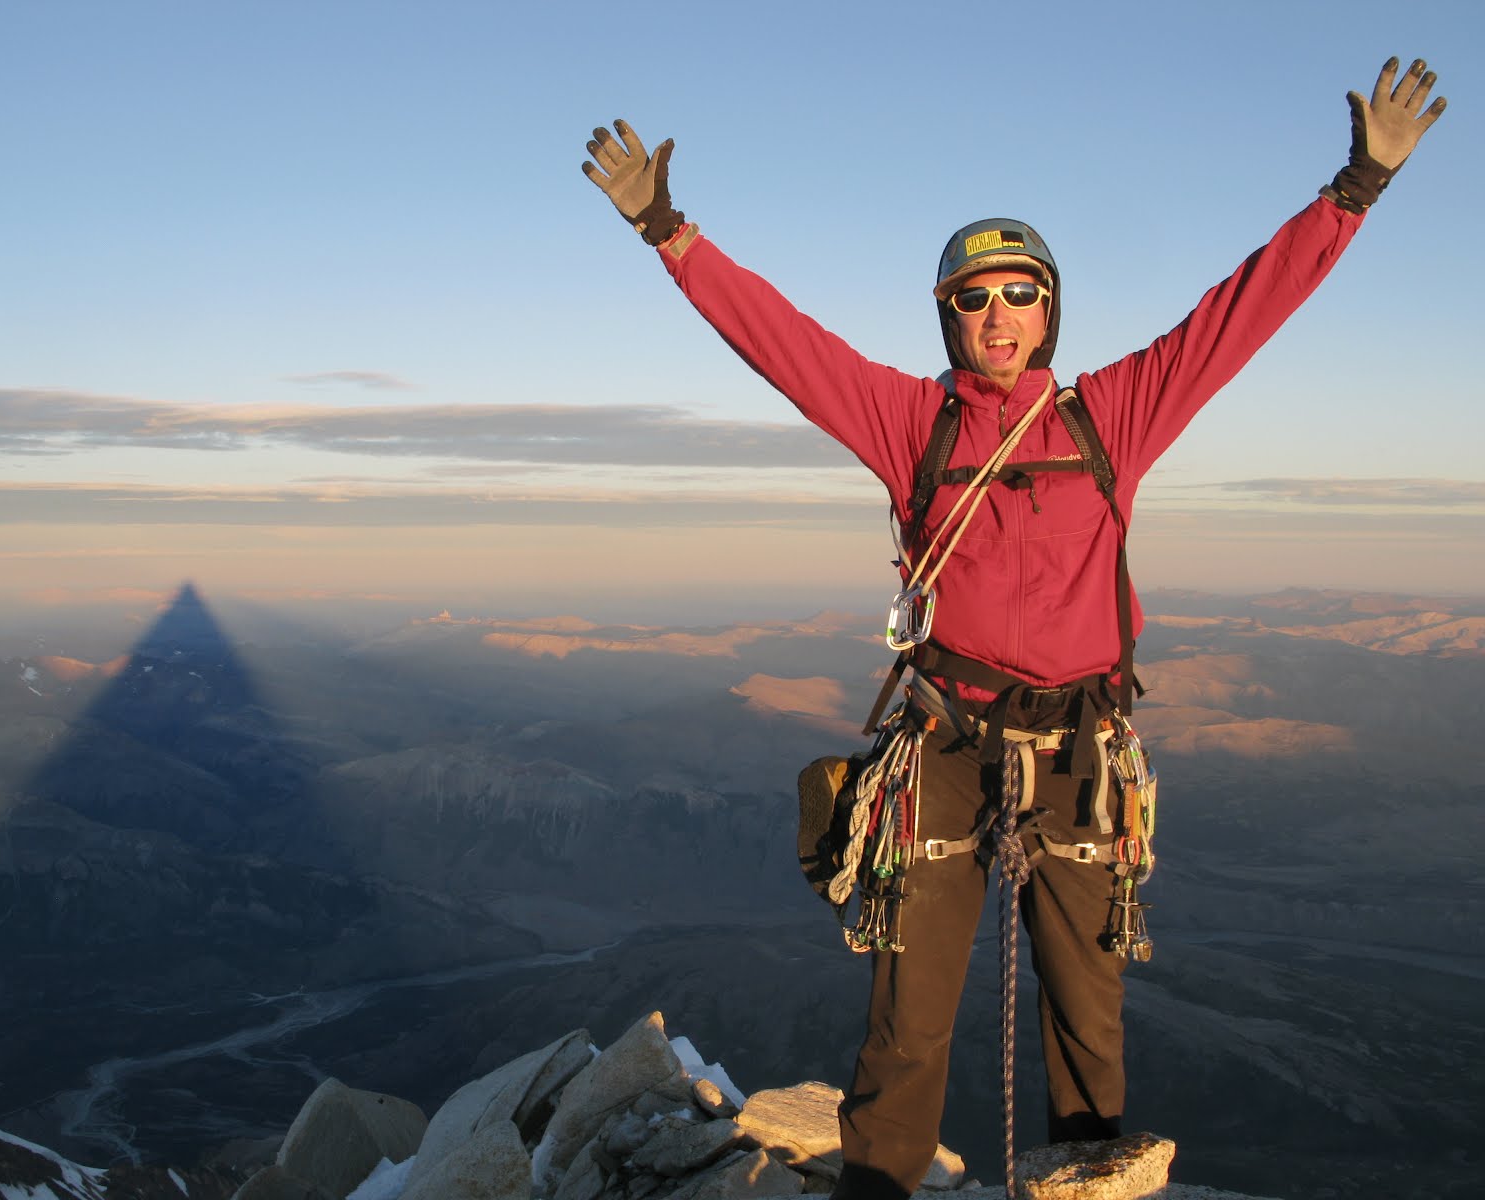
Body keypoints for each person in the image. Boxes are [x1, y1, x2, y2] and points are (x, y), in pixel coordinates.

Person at [581, 58, 1446, 1200]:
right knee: (909, 1014)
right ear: (947, 316)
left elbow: (1238, 315)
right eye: (972, 297)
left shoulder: (1111, 417)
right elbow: (783, 343)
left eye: (1018, 292)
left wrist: (1355, 188)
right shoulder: (910, 425)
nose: (997, 315)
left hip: (1082, 749)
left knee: (1088, 1012)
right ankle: (878, 1186)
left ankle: (1090, 1185)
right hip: (942, 749)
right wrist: (668, 232)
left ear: (1049, 307)